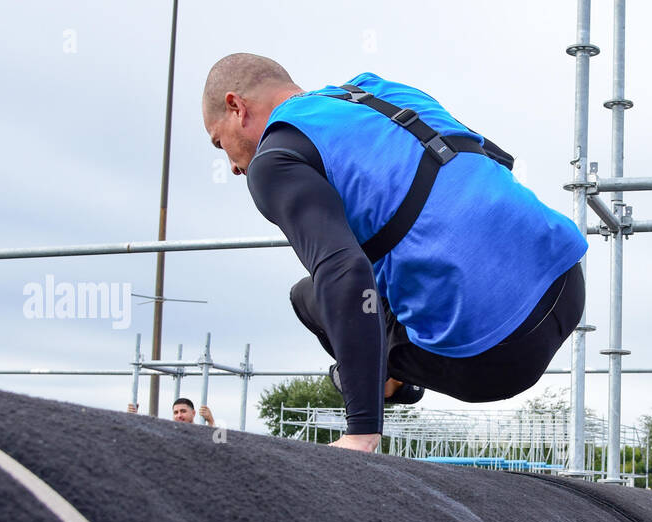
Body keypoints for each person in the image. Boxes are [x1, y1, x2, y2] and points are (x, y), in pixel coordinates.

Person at [203, 55, 588, 452]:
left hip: (495, 356)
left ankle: (387, 380)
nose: (232, 166)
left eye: (220, 143)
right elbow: (494, 159)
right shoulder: (377, 90)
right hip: (566, 283)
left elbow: (343, 271)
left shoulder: (274, 159)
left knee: (307, 295)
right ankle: (389, 374)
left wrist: (362, 430)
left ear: (237, 107)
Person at [128, 398, 216, 426]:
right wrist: (133, 418)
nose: (179, 415)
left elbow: (221, 445)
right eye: (176, 412)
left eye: (183, 411)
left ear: (193, 413)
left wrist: (211, 421)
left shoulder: (200, 432)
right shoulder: (169, 432)